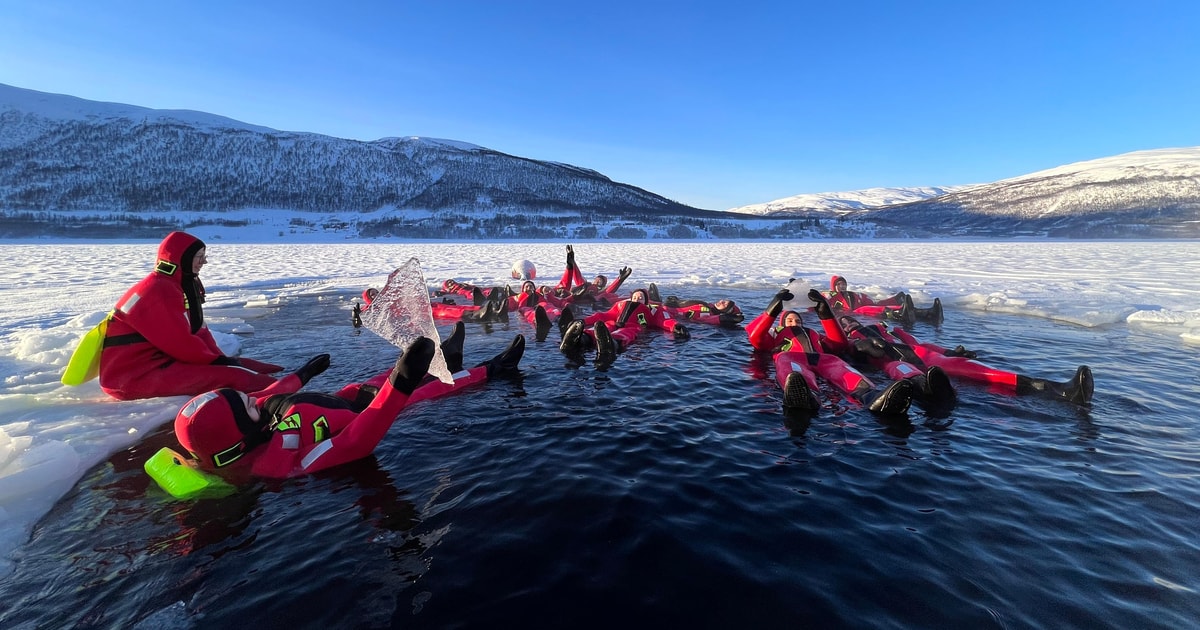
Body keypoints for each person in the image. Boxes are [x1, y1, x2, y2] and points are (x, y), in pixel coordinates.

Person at [174, 327, 526, 478]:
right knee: (422, 391)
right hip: (368, 415)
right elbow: (353, 443)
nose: (254, 402)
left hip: (344, 398)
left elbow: (275, 391)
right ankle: (494, 368)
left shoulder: (253, 418)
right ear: (237, 440)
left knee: (377, 379)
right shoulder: (278, 464)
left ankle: (445, 359)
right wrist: (399, 387)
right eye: (246, 406)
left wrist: (304, 374)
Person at [99, 231, 284, 401]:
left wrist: (224, 360)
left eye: (204, 257)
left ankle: (281, 382)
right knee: (236, 377)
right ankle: (283, 395)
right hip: (133, 377)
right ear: (183, 258)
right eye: (199, 257)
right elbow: (180, 342)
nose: (204, 262)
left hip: (156, 363)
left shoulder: (177, 284)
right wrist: (220, 364)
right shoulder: (160, 289)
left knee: (247, 367)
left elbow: (198, 330)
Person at [838, 314, 1093, 405]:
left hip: (925, 356)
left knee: (979, 370)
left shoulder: (887, 330)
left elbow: (920, 343)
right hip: (890, 362)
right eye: (845, 323)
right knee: (901, 370)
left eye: (850, 320)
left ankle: (1060, 390)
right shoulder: (850, 341)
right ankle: (928, 391)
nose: (849, 323)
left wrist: (950, 352)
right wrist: (860, 346)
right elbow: (848, 352)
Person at [746, 288, 915, 417]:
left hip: (823, 358)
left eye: (798, 320)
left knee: (841, 367)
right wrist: (771, 311)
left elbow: (838, 344)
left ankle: (871, 396)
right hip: (793, 358)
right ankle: (807, 394)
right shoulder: (775, 334)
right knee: (789, 364)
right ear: (781, 323)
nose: (794, 323)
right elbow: (756, 338)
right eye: (789, 320)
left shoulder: (814, 334)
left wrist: (825, 313)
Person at [558, 288, 689, 362]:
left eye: (641, 298)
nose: (637, 299)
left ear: (646, 301)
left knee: (625, 333)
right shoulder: (620, 305)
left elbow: (663, 321)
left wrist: (675, 326)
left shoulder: (652, 310)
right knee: (602, 326)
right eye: (635, 297)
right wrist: (583, 321)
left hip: (633, 327)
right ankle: (581, 339)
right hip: (614, 323)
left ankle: (612, 343)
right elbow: (603, 315)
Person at [824, 276, 943, 325]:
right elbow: (820, 304)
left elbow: (876, 303)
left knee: (872, 308)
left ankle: (927, 312)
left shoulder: (855, 295)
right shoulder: (830, 296)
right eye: (839, 284)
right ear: (833, 286)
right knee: (864, 309)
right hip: (853, 314)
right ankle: (899, 313)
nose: (842, 286)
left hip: (862, 311)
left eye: (844, 284)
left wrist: (895, 299)